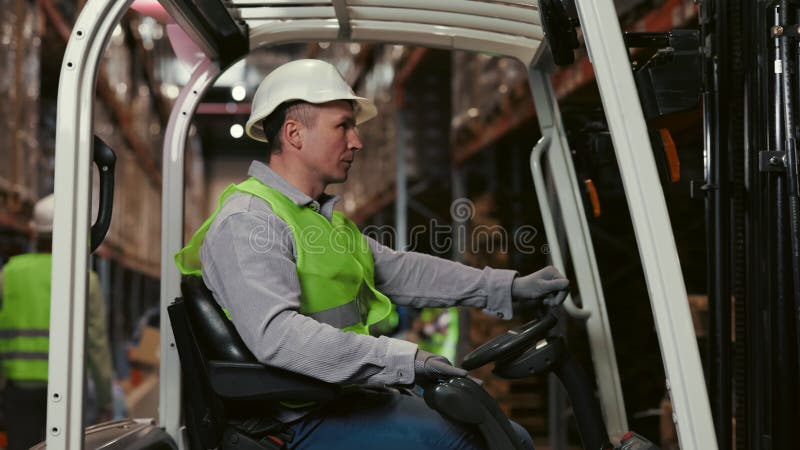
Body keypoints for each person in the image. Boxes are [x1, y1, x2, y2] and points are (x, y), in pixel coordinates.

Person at [175, 59, 569, 450]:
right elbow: (278, 338)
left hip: (341, 397)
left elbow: (403, 271)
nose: (357, 141)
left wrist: (507, 286)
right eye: (342, 126)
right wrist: (403, 360)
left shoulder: (319, 220)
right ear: (294, 134)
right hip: (299, 421)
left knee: (506, 433)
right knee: (478, 440)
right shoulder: (248, 222)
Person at [0, 194, 114, 450]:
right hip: (68, 389)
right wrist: (106, 398)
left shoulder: (8, 273)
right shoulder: (86, 279)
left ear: (33, 234)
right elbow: (96, 344)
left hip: (20, 387)